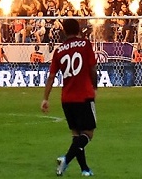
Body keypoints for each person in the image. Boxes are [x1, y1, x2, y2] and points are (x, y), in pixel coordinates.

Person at [41, 18, 97, 177]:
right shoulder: (85, 44)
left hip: (67, 98)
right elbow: (93, 68)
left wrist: (45, 98)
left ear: (64, 32)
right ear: (78, 29)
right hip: (84, 95)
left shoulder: (59, 50)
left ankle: (85, 169)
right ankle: (66, 159)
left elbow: (51, 76)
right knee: (88, 133)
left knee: (76, 135)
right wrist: (95, 87)